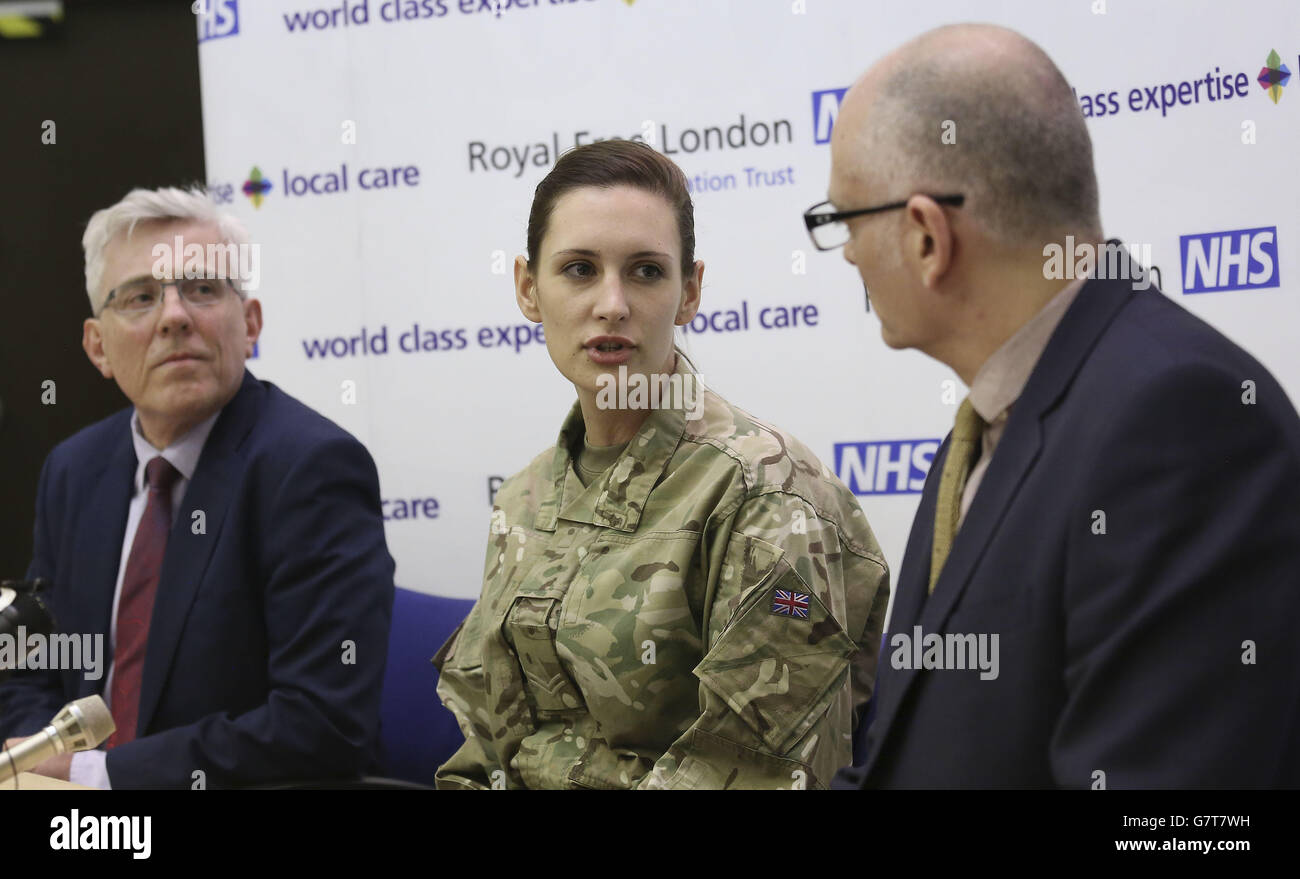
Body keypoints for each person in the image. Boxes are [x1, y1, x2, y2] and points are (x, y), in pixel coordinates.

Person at [813, 24, 1300, 788]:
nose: (843, 252)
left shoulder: (1182, 423)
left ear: (926, 237)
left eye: (844, 220)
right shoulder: (982, 431)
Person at [434, 140, 890, 789]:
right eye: (580, 269)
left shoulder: (767, 491)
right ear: (528, 289)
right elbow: (483, 747)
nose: (612, 304)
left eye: (646, 271)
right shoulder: (523, 500)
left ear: (690, 291)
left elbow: (756, 776)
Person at [0, 187, 396, 789]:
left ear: (251, 324)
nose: (175, 316)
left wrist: (97, 773)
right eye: (138, 297)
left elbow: (323, 723)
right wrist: (36, 756)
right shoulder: (72, 470)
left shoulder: (311, 468)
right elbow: (35, 661)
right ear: (98, 346)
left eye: (203, 288)